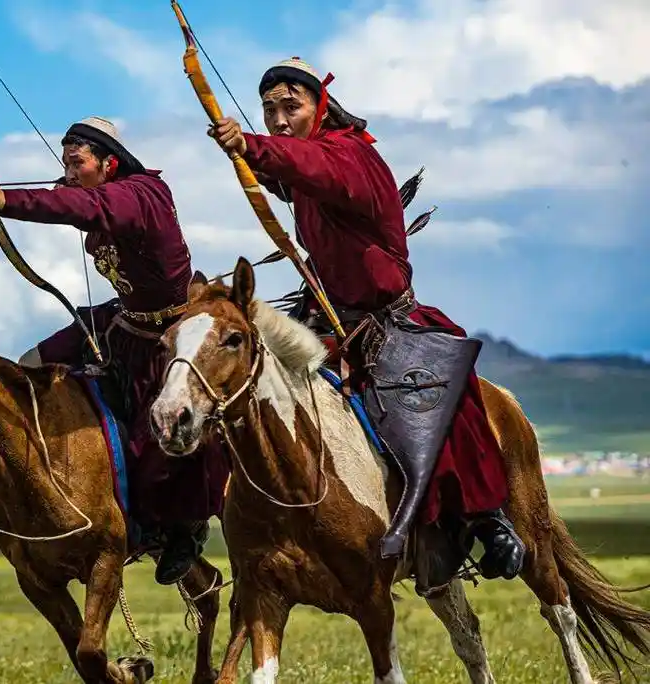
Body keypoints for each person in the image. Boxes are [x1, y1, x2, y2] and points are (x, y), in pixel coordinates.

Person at [206, 58, 526, 587]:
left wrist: (251, 145)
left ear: (321, 108)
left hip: (388, 319)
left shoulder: (352, 155)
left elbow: (315, 168)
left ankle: (488, 519)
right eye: (268, 110)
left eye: (291, 107)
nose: (279, 119)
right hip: (329, 317)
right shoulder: (305, 162)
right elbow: (293, 176)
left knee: (438, 400)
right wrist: (250, 158)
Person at [0, 116, 230, 585]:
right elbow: (78, 200)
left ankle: (183, 531)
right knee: (30, 367)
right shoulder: (99, 191)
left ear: (110, 163)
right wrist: (51, 191)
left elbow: (88, 206)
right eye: (66, 164)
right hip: (120, 320)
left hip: (168, 333)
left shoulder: (142, 195)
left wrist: (10, 200)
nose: (70, 172)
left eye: (78, 163)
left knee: (156, 444)